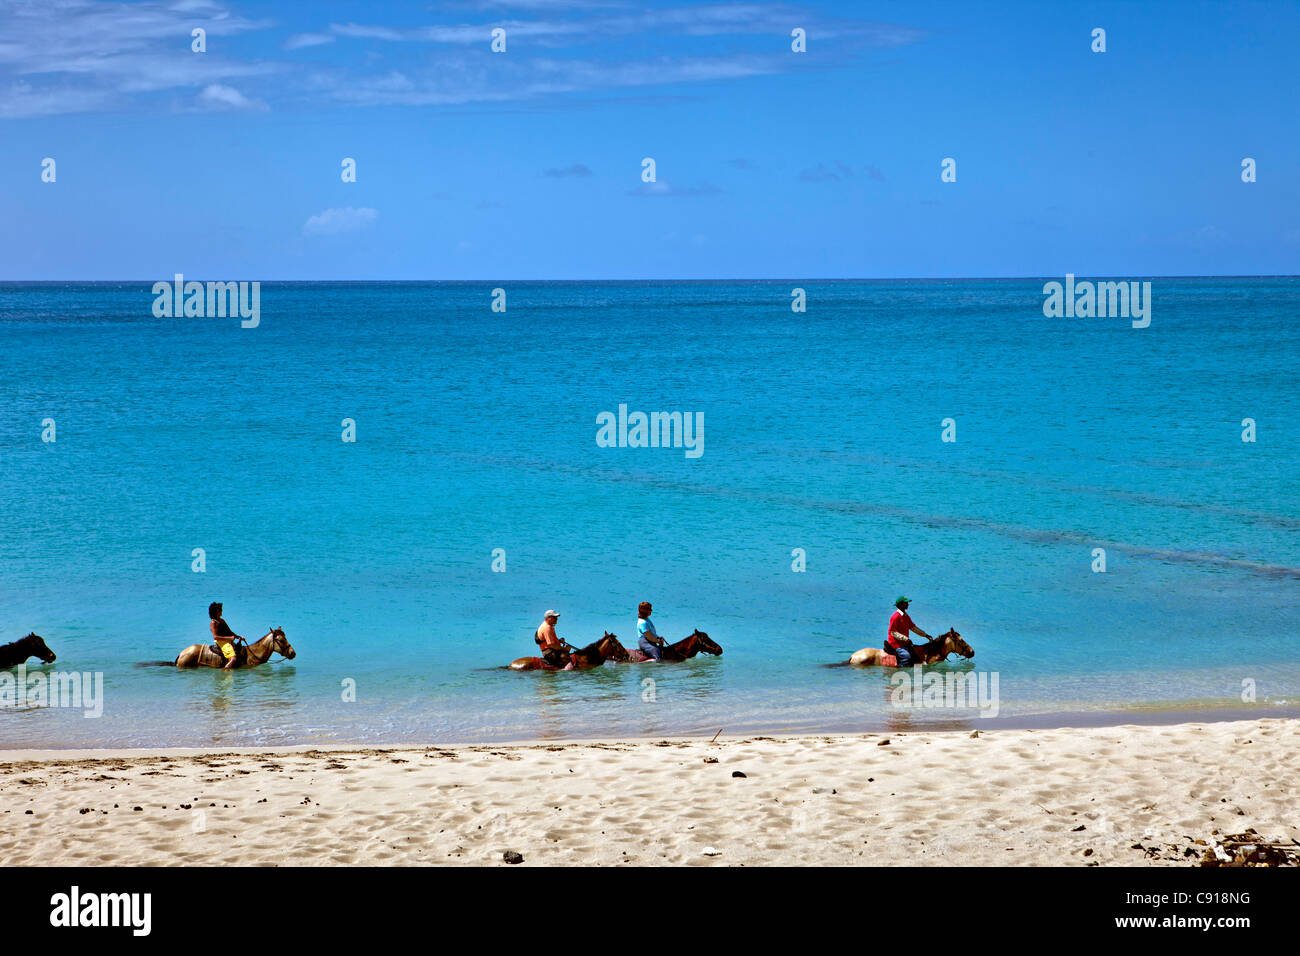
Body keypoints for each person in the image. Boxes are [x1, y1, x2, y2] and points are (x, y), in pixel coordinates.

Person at [884, 595, 932, 666]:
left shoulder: (906, 616)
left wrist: (925, 635)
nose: (908, 604)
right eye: (905, 603)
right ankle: (900, 671)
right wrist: (906, 639)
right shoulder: (895, 616)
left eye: (907, 603)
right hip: (896, 644)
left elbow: (914, 628)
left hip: (904, 643)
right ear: (900, 605)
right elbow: (893, 632)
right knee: (907, 657)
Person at [209, 602, 244, 670]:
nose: (221, 611)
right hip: (221, 642)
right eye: (220, 610)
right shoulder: (213, 623)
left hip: (227, 640)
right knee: (233, 659)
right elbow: (215, 637)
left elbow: (230, 632)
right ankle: (225, 671)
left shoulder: (222, 621)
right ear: (217, 612)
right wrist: (230, 638)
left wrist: (239, 637)